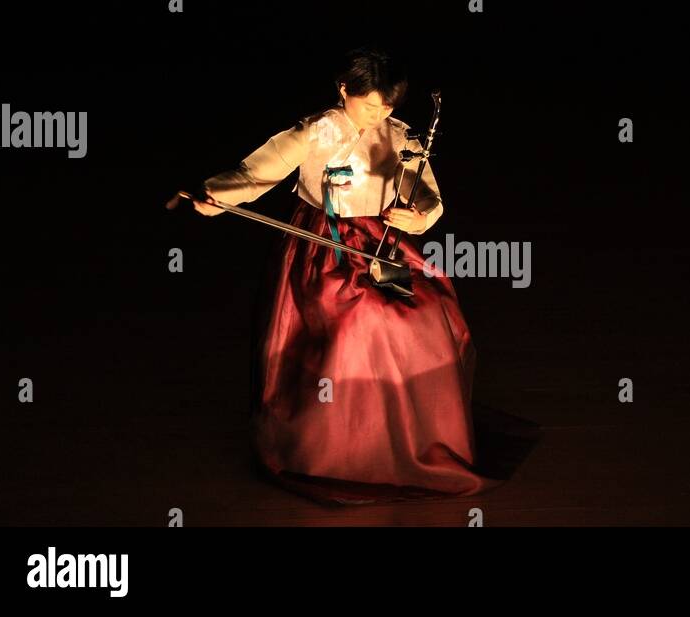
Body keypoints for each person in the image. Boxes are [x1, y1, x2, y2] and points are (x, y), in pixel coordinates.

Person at [194, 47, 502, 505]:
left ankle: (411, 441)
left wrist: (419, 217)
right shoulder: (313, 132)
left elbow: (427, 193)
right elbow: (255, 172)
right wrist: (216, 194)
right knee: (360, 321)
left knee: (431, 308)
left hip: (380, 242)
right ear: (344, 89)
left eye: (388, 105)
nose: (380, 113)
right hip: (322, 246)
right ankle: (338, 451)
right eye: (371, 103)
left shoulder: (398, 136)